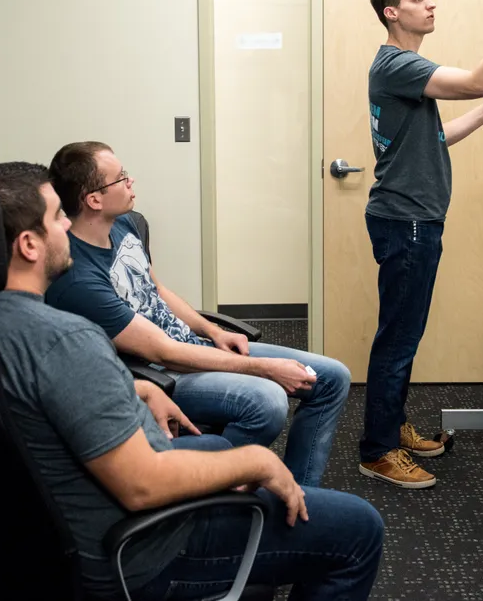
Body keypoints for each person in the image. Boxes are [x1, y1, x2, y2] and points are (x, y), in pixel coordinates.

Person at [0, 162, 384, 600]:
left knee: (220, 447)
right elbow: (142, 485)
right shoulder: (66, 338)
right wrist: (258, 462)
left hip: (55, 539)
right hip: (140, 552)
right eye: (56, 217)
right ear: (29, 244)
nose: (66, 224)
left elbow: (36, 395)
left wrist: (136, 388)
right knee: (359, 529)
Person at [45, 142, 349, 488]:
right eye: (121, 178)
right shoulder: (78, 279)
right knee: (268, 401)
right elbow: (163, 352)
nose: (131, 182)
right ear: (93, 199)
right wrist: (264, 368)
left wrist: (213, 330)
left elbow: (156, 289)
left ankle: (301, 494)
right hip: (160, 372)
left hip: (189, 345)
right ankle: (199, 492)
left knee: (332, 377)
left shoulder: (123, 225)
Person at [359, 0, 483, 488]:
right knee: (398, 338)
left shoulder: (403, 69)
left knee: (402, 334)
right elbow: (481, 77)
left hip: (409, 219)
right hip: (407, 222)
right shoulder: (397, 65)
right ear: (393, 13)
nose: (431, 3)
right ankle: (378, 450)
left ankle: (390, 428)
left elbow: (433, 141)